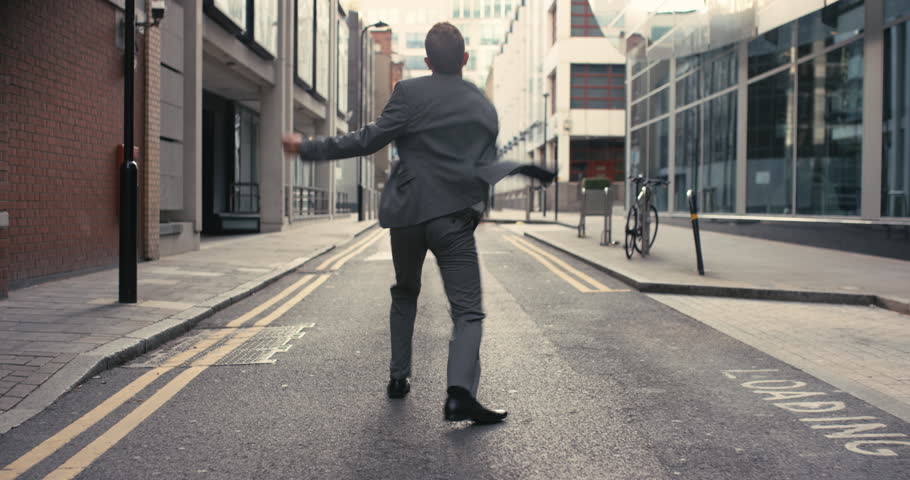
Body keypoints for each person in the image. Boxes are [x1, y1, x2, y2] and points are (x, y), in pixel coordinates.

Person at [282, 22, 553, 424]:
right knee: (467, 312)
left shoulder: (408, 93)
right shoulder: (483, 106)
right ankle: (459, 392)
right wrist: (478, 209)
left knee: (405, 292)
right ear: (464, 59)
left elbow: (367, 139)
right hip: (453, 217)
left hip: (407, 214)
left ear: (427, 61)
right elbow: (484, 168)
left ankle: (398, 377)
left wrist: (308, 147)